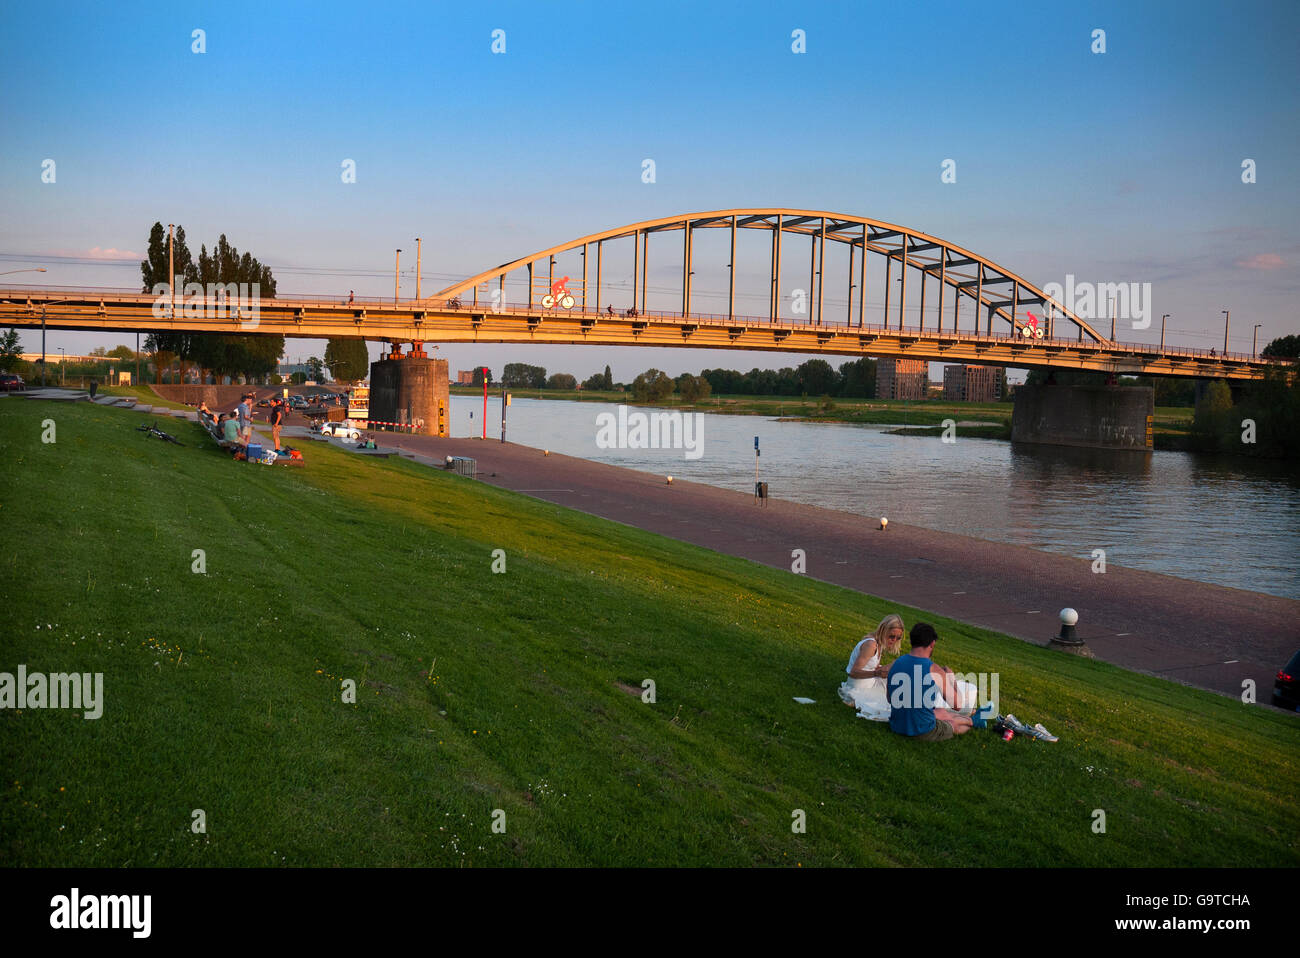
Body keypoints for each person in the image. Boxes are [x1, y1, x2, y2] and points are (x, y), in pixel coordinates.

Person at [886, 623, 974, 741]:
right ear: (932, 643)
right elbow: (957, 705)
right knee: (961, 724)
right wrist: (951, 679)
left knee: (942, 711)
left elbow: (890, 698)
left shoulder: (897, 663)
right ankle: (974, 720)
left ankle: (968, 717)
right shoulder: (933, 669)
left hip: (896, 724)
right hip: (922, 730)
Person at [838, 614, 904, 720]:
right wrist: (877, 673)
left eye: (898, 638)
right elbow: (853, 672)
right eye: (891, 636)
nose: (894, 640)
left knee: (898, 678)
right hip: (859, 687)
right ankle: (856, 699)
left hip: (868, 681)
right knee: (892, 699)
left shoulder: (878, 644)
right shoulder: (871, 645)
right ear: (883, 630)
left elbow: (870, 667)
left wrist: (885, 668)